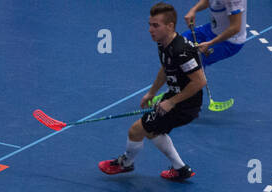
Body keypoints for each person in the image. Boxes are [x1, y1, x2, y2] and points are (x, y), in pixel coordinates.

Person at [100, 3, 207, 181]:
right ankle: (180, 169)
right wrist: (152, 92)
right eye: (150, 24)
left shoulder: (182, 51)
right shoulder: (163, 43)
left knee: (136, 131)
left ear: (170, 26)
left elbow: (200, 81)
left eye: (155, 25)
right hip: (174, 97)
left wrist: (171, 102)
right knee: (151, 131)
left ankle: (125, 164)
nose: (150, 29)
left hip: (185, 104)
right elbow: (166, 68)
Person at [184, 0, 247, 65]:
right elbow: (207, 1)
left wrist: (211, 43)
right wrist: (193, 10)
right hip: (211, 29)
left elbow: (235, 28)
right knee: (182, 41)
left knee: (195, 61)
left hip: (229, 41)